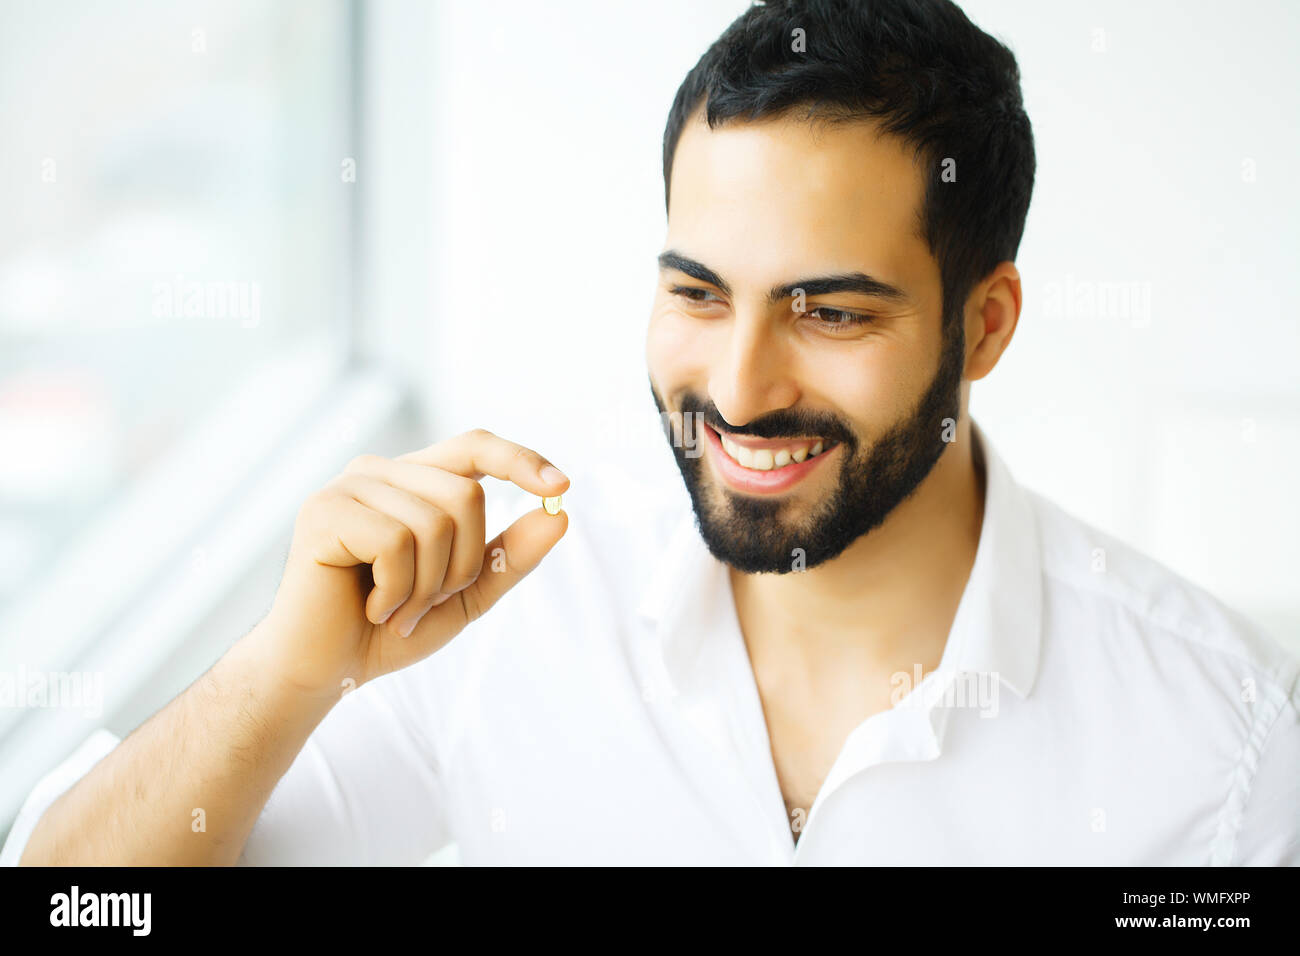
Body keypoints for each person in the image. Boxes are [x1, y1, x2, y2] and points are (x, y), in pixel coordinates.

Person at [10, 0, 1297, 866]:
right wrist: (284, 674)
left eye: (828, 309)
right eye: (697, 290)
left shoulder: (1215, 738)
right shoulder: (507, 608)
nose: (737, 387)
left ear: (987, 323)